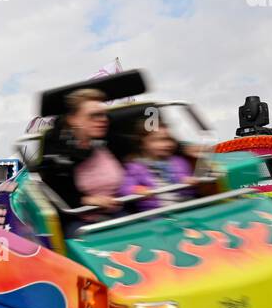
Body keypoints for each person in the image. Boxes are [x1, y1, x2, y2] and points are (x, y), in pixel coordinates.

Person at [37, 88, 125, 227]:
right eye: (94, 116)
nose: (103, 120)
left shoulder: (109, 143)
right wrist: (87, 200)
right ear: (73, 119)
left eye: (103, 115)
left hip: (121, 212)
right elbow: (56, 193)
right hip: (82, 223)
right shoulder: (57, 155)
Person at [118, 123, 197, 211]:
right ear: (142, 143)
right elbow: (124, 188)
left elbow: (190, 190)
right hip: (155, 214)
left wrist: (189, 182)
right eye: (157, 140)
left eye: (169, 140)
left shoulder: (179, 161)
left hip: (186, 207)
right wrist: (136, 189)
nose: (166, 144)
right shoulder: (134, 166)